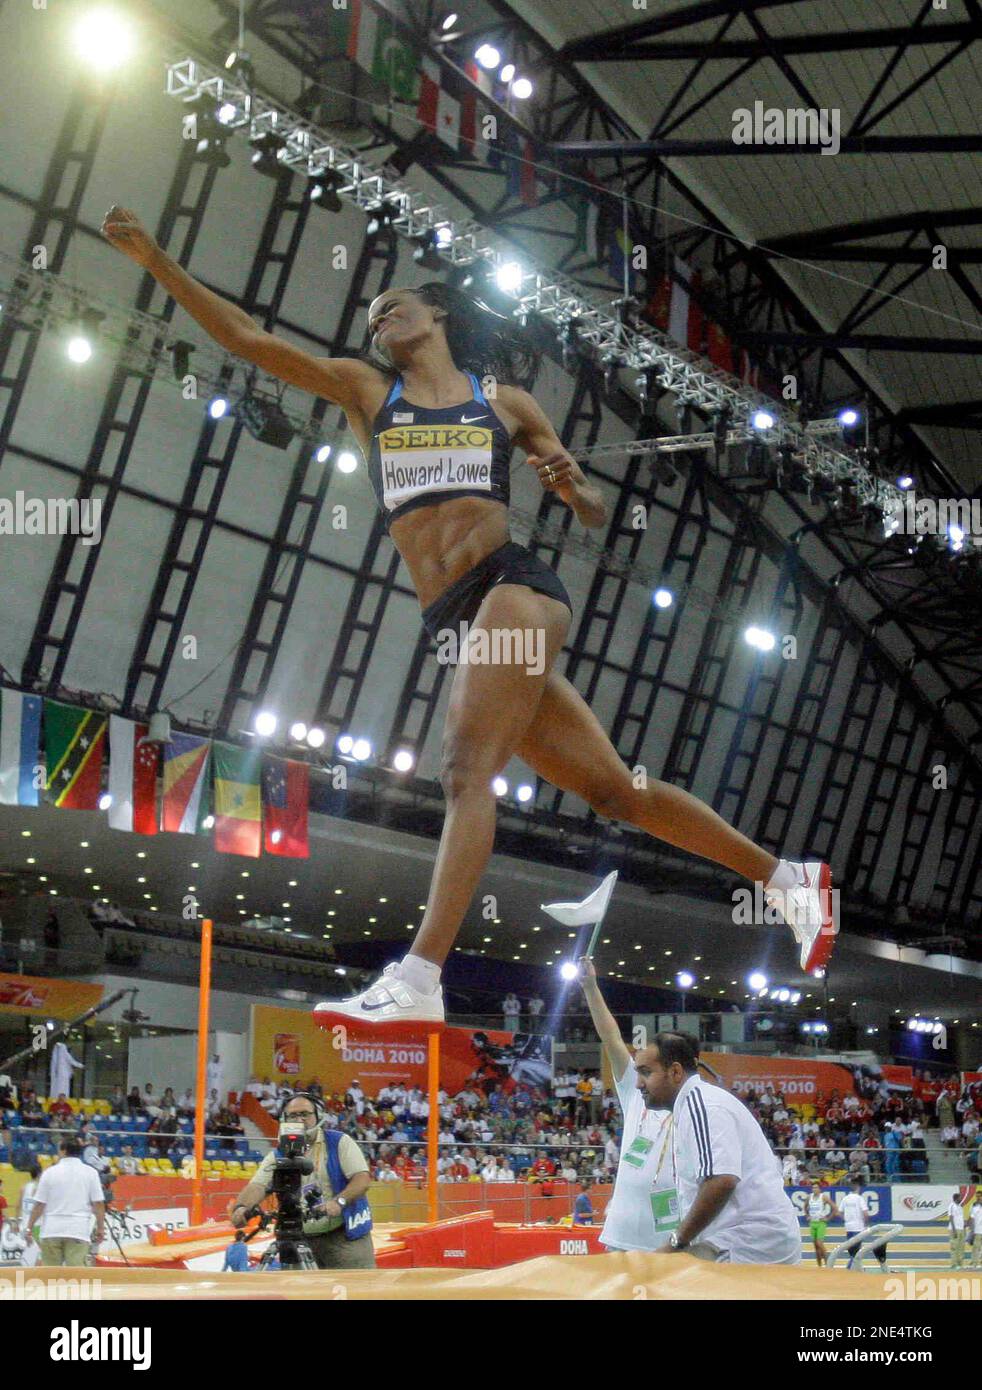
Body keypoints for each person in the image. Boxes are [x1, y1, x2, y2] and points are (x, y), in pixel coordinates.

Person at [99, 206, 835, 1025]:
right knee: (616, 792)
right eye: (373, 313)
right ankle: (785, 880)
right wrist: (154, 255)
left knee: (461, 771)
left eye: (395, 303)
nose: (380, 316)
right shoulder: (364, 390)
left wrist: (569, 484)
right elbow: (244, 337)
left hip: (513, 588)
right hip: (455, 617)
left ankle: (419, 975)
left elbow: (591, 513)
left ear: (439, 314)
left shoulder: (506, 402)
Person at [638, 1033, 801, 1263]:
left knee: (667, 1277)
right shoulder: (694, 1105)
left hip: (748, 1242)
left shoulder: (702, 1105)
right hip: (744, 1240)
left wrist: (676, 1242)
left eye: (646, 1073)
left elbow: (721, 1180)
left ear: (675, 1072)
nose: (638, 1084)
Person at [575, 960, 675, 1252]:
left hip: (666, 1246)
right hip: (620, 1239)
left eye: (648, 1071)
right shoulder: (634, 1094)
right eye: (639, 1071)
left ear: (673, 1072)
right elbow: (611, 1037)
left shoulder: (692, 1112)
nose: (640, 1079)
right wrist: (591, 987)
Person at [230, 1094, 375, 1269]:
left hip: (345, 1237)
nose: (299, 1119)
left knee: (355, 1291)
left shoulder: (339, 1142)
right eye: (292, 1115)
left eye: (305, 1114)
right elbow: (257, 1186)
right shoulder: (278, 1154)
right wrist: (241, 1208)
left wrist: (339, 1202)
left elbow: (362, 1179)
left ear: (318, 1116)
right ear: (284, 1120)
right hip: (299, 1238)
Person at [29, 1136, 105, 1266]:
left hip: (52, 1229)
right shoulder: (91, 1173)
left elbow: (40, 1204)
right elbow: (98, 1203)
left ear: (62, 1151)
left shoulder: (49, 1173)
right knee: (76, 1276)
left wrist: (29, 1227)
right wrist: (100, 1228)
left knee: (51, 1277)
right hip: (78, 1229)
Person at [807, 1181, 832, 1267]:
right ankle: (819, 1266)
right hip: (812, 1223)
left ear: (820, 1189)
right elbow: (805, 1206)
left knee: (819, 1243)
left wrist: (828, 1218)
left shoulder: (823, 1197)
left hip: (821, 1223)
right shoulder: (809, 1197)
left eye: (816, 1188)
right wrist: (807, 1215)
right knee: (816, 1247)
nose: (815, 1189)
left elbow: (834, 1207)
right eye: (813, 1188)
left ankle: (828, 1264)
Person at [948, 1191, 966, 1270]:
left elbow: (960, 1218)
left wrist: (964, 1226)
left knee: (961, 1247)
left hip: (961, 1229)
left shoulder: (960, 1207)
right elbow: (951, 1218)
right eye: (960, 1198)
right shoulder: (951, 1206)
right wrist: (954, 1230)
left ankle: (960, 1264)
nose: (961, 1199)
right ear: (956, 1198)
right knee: (954, 1247)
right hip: (954, 1229)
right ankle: (953, 1264)